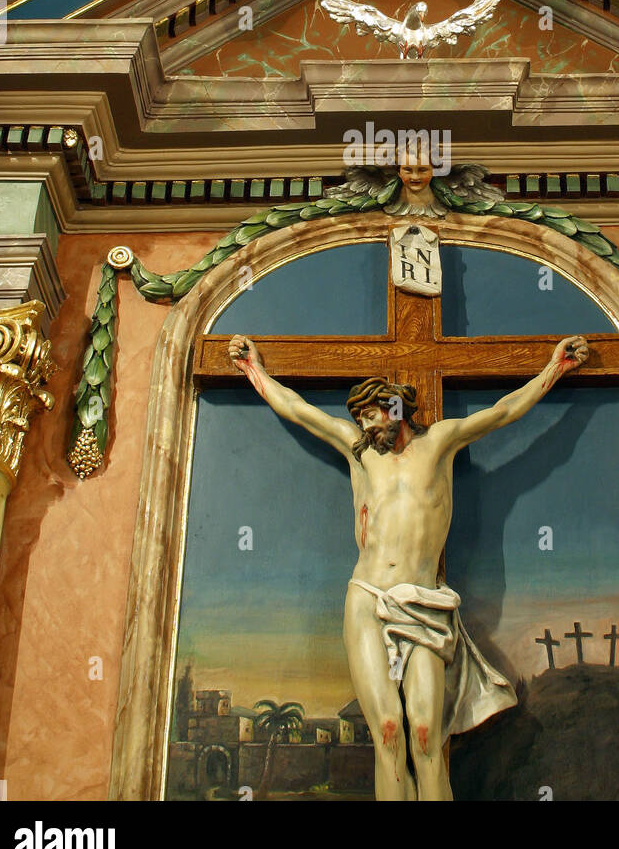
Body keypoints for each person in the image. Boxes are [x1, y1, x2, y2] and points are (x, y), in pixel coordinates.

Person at [228, 328, 589, 801]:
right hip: (368, 599)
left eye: (370, 414)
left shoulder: (439, 443)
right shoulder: (358, 451)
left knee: (425, 734)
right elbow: (299, 410)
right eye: (358, 417)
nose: (364, 425)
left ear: (394, 406)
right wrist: (254, 369)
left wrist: (555, 368)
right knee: (388, 729)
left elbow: (502, 411)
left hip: (426, 603)